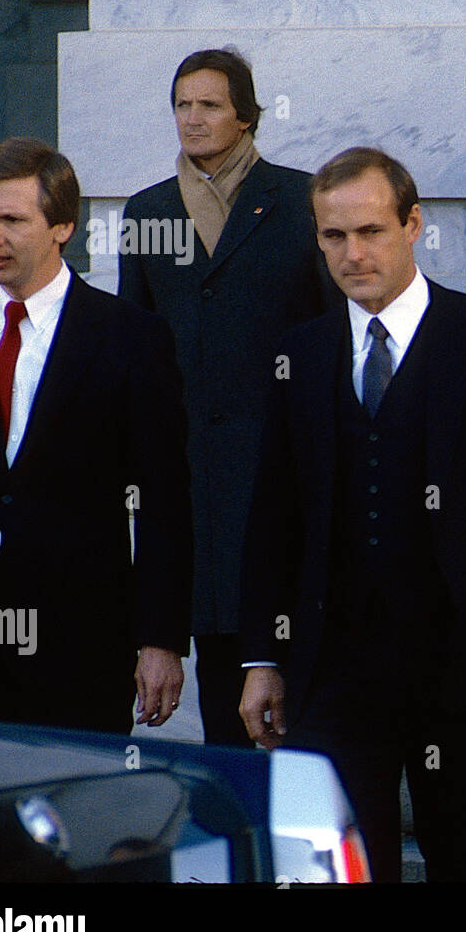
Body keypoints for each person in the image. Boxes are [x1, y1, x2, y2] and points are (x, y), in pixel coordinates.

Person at [237, 147, 466, 883]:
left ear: (414, 225)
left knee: (465, 856)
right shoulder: (298, 354)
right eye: (334, 236)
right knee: (336, 866)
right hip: (332, 664)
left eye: (370, 231)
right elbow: (273, 512)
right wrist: (262, 657)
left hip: (460, 657)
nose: (353, 252)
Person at [0, 137, 192, 734]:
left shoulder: (132, 338)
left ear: (62, 226)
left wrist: (160, 640)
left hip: (78, 645)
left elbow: (165, 502)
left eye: (12, 220)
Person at [119, 47, 334, 746]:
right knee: (226, 725)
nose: (192, 118)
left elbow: (333, 334)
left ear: (245, 114)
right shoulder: (148, 212)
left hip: (286, 482)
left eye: (209, 104)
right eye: (182, 104)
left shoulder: (303, 201)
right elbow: (136, 347)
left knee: (301, 717)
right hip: (195, 495)